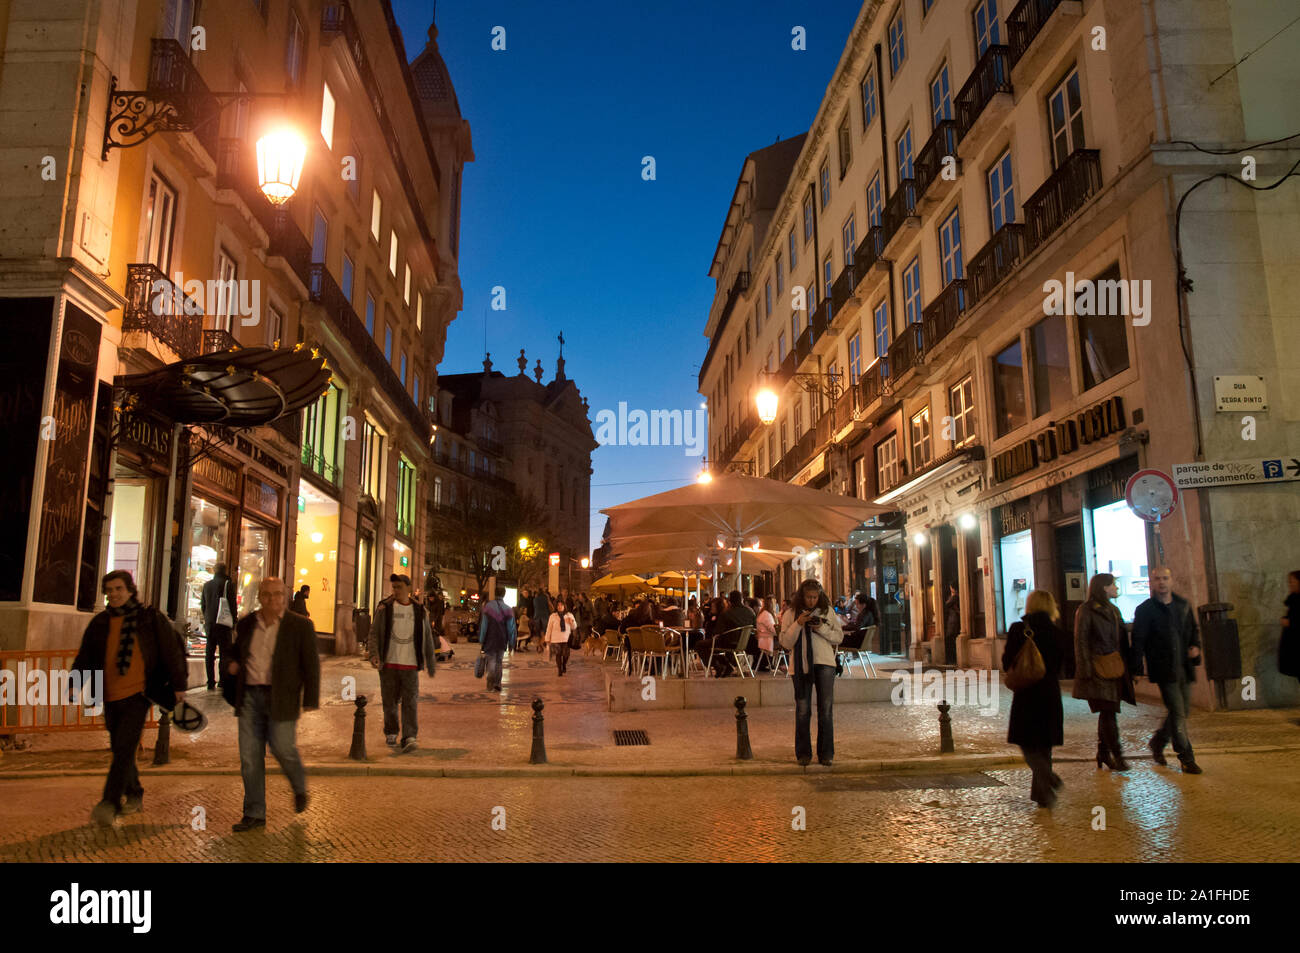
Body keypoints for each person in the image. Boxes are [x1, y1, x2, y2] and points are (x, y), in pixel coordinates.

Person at [71, 570, 187, 828]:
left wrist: (179, 685)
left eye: (118, 589)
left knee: (124, 748)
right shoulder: (100, 623)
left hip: (138, 694)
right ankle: (134, 793)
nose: (113, 594)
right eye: (109, 590)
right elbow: (85, 656)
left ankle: (109, 802)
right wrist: (74, 684)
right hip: (110, 696)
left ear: (130, 590)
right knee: (121, 749)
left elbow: (171, 651)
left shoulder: (148, 618)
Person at [227, 577, 321, 832]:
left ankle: (299, 787)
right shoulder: (247, 624)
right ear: (259, 597)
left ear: (285, 596)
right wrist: (232, 664)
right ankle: (254, 812)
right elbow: (235, 652)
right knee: (249, 757)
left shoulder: (300, 626)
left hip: (281, 697)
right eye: (267, 595)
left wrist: (311, 699)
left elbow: (311, 664)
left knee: (282, 748)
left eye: (278, 594)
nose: (272, 600)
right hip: (249, 697)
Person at [1132, 568, 1203, 774]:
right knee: (1179, 713)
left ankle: (1158, 741)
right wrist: (1137, 668)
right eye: (1157, 579)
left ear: (1172, 581)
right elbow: (1139, 641)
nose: (1162, 582)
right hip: (1164, 669)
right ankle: (1186, 758)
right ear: (1152, 583)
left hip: (1184, 668)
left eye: (1165, 578)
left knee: (1181, 711)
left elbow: (1193, 631)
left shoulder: (1183, 605)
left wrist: (1195, 649)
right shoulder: (1145, 609)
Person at [1003, 590, 1070, 808]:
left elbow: (1006, 662)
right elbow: (1062, 665)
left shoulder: (1017, 629)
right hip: (1049, 693)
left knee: (1027, 743)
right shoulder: (1057, 632)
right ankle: (1043, 795)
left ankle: (1048, 778)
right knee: (1044, 745)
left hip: (1026, 694)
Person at [1072, 573, 1135, 771]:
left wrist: (1130, 668)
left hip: (1114, 667)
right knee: (1109, 712)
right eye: (1113, 584)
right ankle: (1117, 755)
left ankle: (1103, 753)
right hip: (1098, 668)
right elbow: (1080, 641)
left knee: (1108, 713)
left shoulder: (1114, 610)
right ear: (1104, 587)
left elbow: (1122, 641)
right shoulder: (1086, 610)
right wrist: (1085, 670)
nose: (1116, 587)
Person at [368, 574, 437, 753]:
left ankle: (409, 736)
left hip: (410, 664)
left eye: (399, 587)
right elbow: (374, 633)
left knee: (410, 702)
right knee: (389, 702)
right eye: (394, 587)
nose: (396, 591)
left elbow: (427, 636)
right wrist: (374, 655)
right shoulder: (384, 608)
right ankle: (391, 731)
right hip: (389, 664)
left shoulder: (419, 610)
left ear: (408, 588)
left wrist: (430, 661)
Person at [779, 578, 844, 766]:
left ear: (820, 596)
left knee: (826, 710)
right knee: (802, 709)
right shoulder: (790, 614)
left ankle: (826, 754)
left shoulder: (827, 612)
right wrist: (798, 624)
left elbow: (838, 637)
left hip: (824, 664)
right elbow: (785, 642)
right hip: (800, 666)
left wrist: (821, 627)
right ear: (802, 596)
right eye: (808, 597)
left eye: (815, 597)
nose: (811, 601)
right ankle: (803, 754)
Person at [200, 563, 236, 691]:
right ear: (225, 570)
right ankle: (222, 680)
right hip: (223, 624)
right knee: (224, 654)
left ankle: (210, 681)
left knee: (209, 653)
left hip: (210, 625)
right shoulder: (228, 584)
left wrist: (208, 619)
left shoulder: (207, 585)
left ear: (214, 571)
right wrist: (234, 622)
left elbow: (203, 605)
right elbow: (232, 605)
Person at [478, 590, 516, 693]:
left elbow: (484, 626)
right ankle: (497, 684)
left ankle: (490, 684)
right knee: (499, 662)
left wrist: (481, 639)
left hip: (490, 639)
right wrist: (512, 642)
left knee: (491, 660)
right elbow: (511, 628)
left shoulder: (488, 608)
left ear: (494, 594)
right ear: (504, 594)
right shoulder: (508, 609)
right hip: (502, 640)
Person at [546, 599, 578, 676]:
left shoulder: (569, 615)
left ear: (564, 606)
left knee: (566, 655)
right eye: (558, 605)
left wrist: (572, 622)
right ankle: (559, 670)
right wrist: (547, 639)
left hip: (566, 639)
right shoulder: (553, 616)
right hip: (555, 639)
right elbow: (549, 628)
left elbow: (574, 627)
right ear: (556, 607)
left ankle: (564, 664)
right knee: (558, 655)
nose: (560, 607)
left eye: (561, 605)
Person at [1280, 570, 1300, 684]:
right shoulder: (1293, 599)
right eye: (1289, 582)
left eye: (1293, 582)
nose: (1290, 584)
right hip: (1295, 645)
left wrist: (1290, 622)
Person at [754, 596, 778, 664]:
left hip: (762, 637)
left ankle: (776, 663)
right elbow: (773, 629)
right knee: (785, 642)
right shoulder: (767, 615)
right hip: (766, 638)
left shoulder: (763, 613)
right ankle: (781, 663)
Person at [943, 583, 961, 664]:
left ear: (953, 588)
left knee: (950, 639)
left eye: (951, 587)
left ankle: (953, 660)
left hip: (953, 621)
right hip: (952, 621)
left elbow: (946, 605)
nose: (950, 589)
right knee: (950, 639)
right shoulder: (953, 597)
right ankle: (952, 659)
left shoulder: (955, 597)